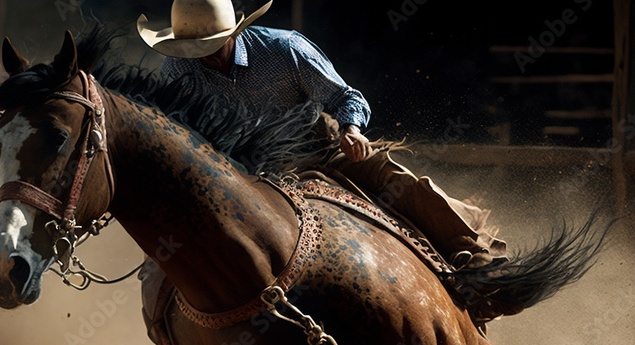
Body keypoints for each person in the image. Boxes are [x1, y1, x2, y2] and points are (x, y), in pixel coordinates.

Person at [137, 0, 502, 268]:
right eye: (193, 49)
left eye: (212, 45)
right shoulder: (177, 68)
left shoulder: (286, 49)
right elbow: (179, 130)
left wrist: (352, 129)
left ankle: (471, 252)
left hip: (320, 152)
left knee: (391, 178)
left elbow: (345, 96)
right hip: (239, 175)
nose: (205, 57)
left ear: (234, 32)